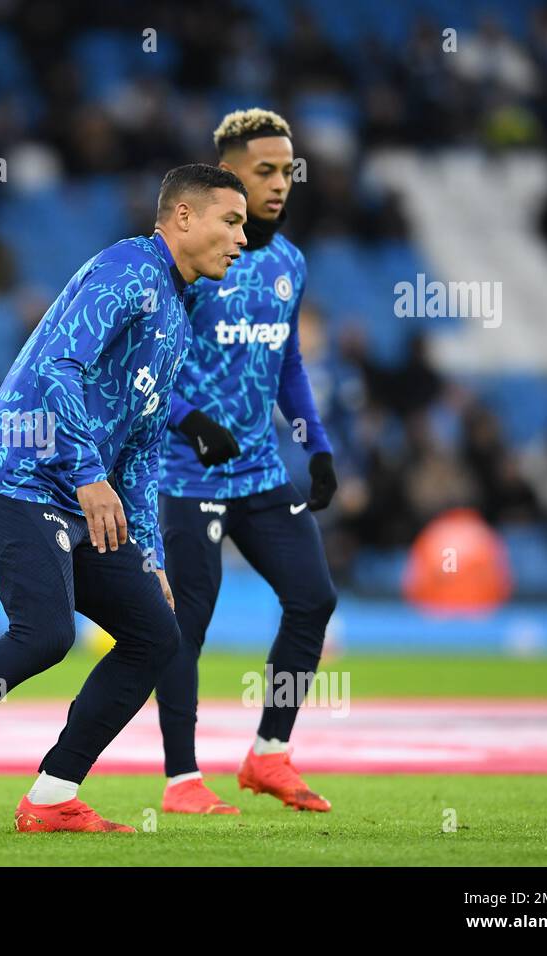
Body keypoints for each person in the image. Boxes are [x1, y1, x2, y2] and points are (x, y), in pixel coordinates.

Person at [0, 164, 247, 832]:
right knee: (46, 635)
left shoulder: (178, 317)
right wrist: (90, 474)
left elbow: (144, 448)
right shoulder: (128, 271)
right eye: (231, 221)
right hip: (13, 476)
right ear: (183, 216)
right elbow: (61, 364)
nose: (242, 239)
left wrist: (149, 554)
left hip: (78, 490)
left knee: (154, 633)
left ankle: (51, 796)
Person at [155, 109, 337, 814]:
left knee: (313, 598)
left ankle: (269, 754)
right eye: (266, 170)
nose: (281, 184)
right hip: (182, 473)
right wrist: (187, 421)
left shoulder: (289, 263)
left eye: (288, 171)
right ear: (227, 174)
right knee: (186, 623)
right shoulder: (192, 262)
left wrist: (315, 445)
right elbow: (146, 361)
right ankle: (181, 780)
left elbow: (287, 363)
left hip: (260, 470)